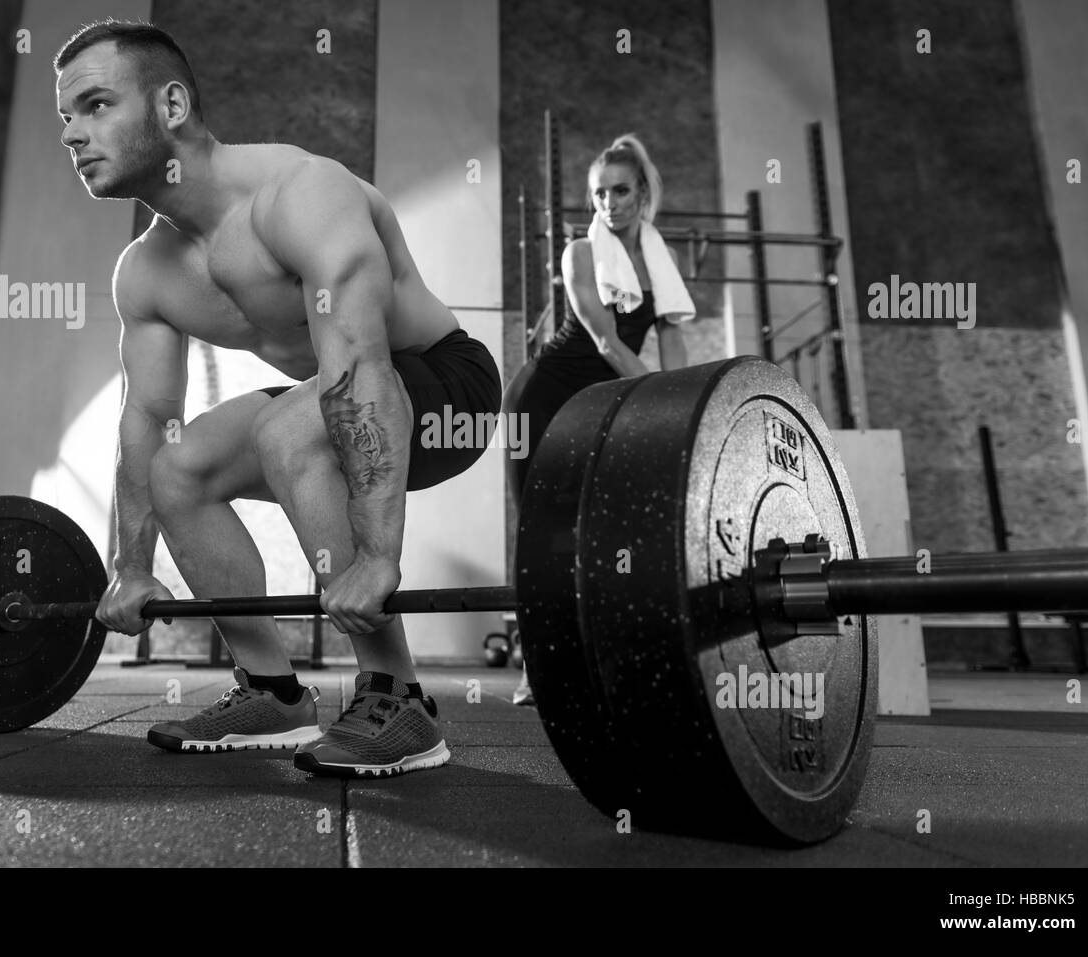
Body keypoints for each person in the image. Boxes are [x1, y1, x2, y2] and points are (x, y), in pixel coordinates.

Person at [53, 20, 501, 776]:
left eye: (95, 105)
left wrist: (379, 557)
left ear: (170, 106)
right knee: (178, 465)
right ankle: (272, 689)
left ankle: (400, 699)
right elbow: (144, 420)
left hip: (446, 386)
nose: (73, 134)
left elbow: (358, 364)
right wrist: (129, 566)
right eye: (66, 117)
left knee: (299, 422)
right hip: (326, 397)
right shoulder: (147, 272)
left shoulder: (301, 193)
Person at [503, 133, 697, 705]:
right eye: (598, 194)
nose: (609, 204)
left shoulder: (661, 260)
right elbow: (607, 342)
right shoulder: (580, 253)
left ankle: (599, 656)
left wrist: (683, 396)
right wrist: (662, 395)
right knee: (543, 532)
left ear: (643, 193)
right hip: (546, 396)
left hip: (609, 400)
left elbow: (674, 338)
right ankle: (532, 668)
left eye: (620, 191)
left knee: (607, 530)